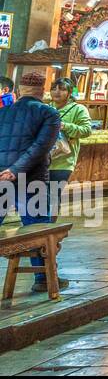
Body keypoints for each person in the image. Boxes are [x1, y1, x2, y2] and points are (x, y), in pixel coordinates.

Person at [0, 73, 61, 292]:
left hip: (2, 177)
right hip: (30, 179)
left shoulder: (3, 112)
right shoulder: (50, 114)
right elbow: (40, 148)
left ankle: (44, 279)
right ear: (42, 91)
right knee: (37, 230)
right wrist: (15, 171)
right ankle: (43, 279)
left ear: (19, 89)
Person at [48, 79, 91, 215]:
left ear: (70, 92)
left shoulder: (78, 109)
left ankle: (49, 228)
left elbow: (86, 130)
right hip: (42, 160)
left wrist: (65, 126)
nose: (57, 92)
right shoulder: (46, 107)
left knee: (53, 196)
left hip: (63, 162)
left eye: (62, 89)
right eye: (54, 88)